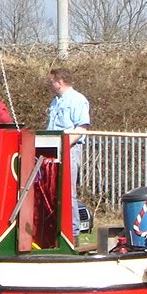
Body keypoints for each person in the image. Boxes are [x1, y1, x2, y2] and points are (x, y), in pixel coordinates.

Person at [47, 67, 91, 235]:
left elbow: (82, 127)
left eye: (52, 82)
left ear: (60, 82)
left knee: (67, 190)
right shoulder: (55, 101)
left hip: (70, 150)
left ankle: (72, 233)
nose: (50, 85)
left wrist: (64, 145)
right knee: (52, 189)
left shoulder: (77, 100)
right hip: (53, 149)